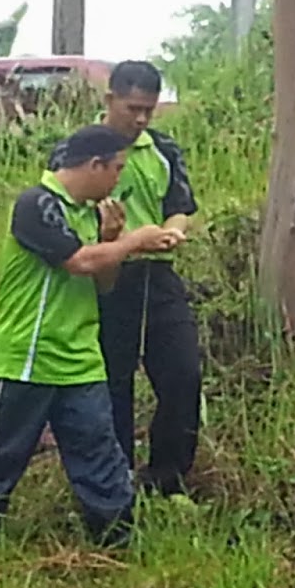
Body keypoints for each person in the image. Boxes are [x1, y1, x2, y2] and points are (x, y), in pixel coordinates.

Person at [0, 124, 183, 551]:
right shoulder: (36, 204)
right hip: (29, 356)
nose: (118, 179)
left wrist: (112, 239)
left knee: (100, 452)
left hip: (79, 357)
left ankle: (117, 541)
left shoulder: (88, 214)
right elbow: (76, 262)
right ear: (94, 165)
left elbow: (104, 282)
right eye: (116, 169)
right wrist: (134, 240)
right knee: (3, 454)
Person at [96, 60, 203, 497]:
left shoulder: (161, 148)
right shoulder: (82, 150)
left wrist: (172, 231)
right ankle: (115, 480)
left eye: (148, 110)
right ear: (110, 101)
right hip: (103, 275)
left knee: (183, 373)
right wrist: (112, 239)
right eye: (132, 108)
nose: (140, 119)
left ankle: (168, 478)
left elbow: (179, 204)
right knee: (113, 382)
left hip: (156, 275)